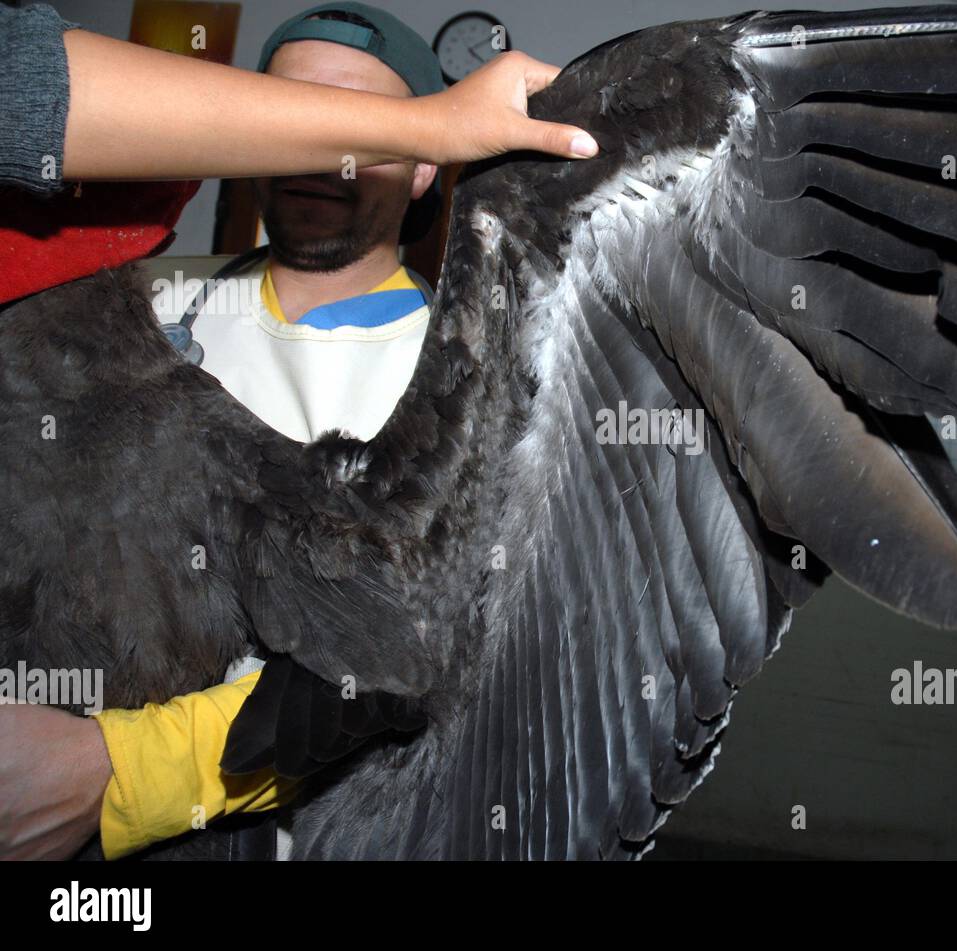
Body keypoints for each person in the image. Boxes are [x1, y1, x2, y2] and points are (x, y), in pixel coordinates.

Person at [0, 1, 597, 862]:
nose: (326, 154)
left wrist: (118, 771)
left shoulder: (476, 389)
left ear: (425, 167)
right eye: (303, 116)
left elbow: (448, 671)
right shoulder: (114, 312)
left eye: (358, 122)